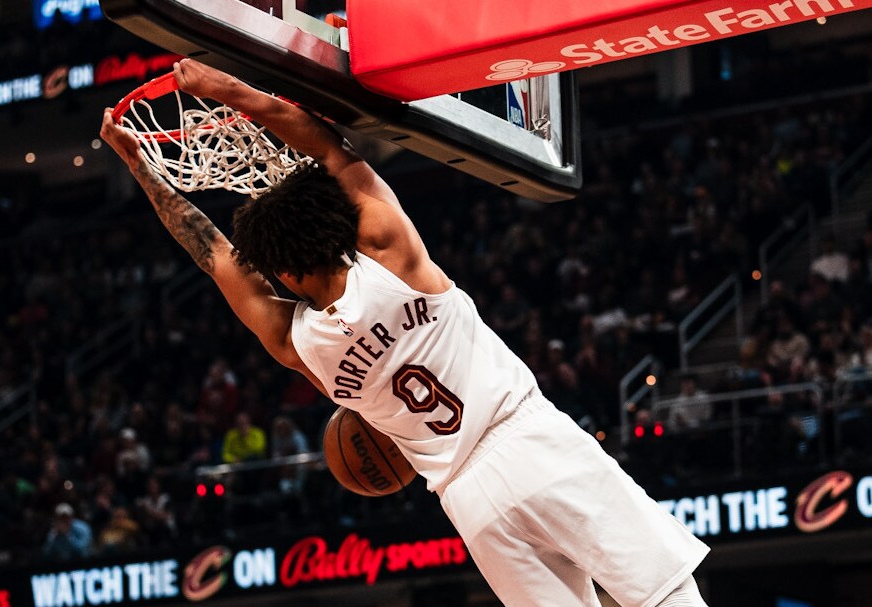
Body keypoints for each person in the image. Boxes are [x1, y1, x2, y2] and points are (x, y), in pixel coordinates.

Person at [101, 59, 708, 606]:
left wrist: (142, 168)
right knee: (664, 594)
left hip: (469, 502)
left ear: (282, 271)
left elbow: (214, 256)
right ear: (335, 222)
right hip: (527, 436)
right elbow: (330, 149)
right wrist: (227, 89)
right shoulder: (391, 256)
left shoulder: (300, 347)